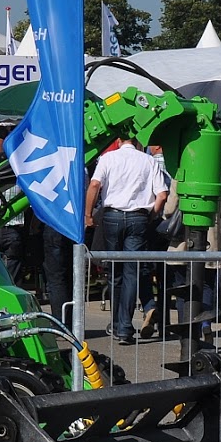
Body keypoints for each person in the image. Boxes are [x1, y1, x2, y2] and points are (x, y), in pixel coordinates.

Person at [84, 138, 168, 344]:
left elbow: (95, 184)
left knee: (114, 273)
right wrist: (150, 216)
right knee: (132, 272)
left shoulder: (108, 158)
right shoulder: (149, 161)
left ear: (119, 140)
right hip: (138, 217)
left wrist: (88, 215)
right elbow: (162, 195)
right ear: (138, 141)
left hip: (112, 216)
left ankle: (116, 323)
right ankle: (125, 328)